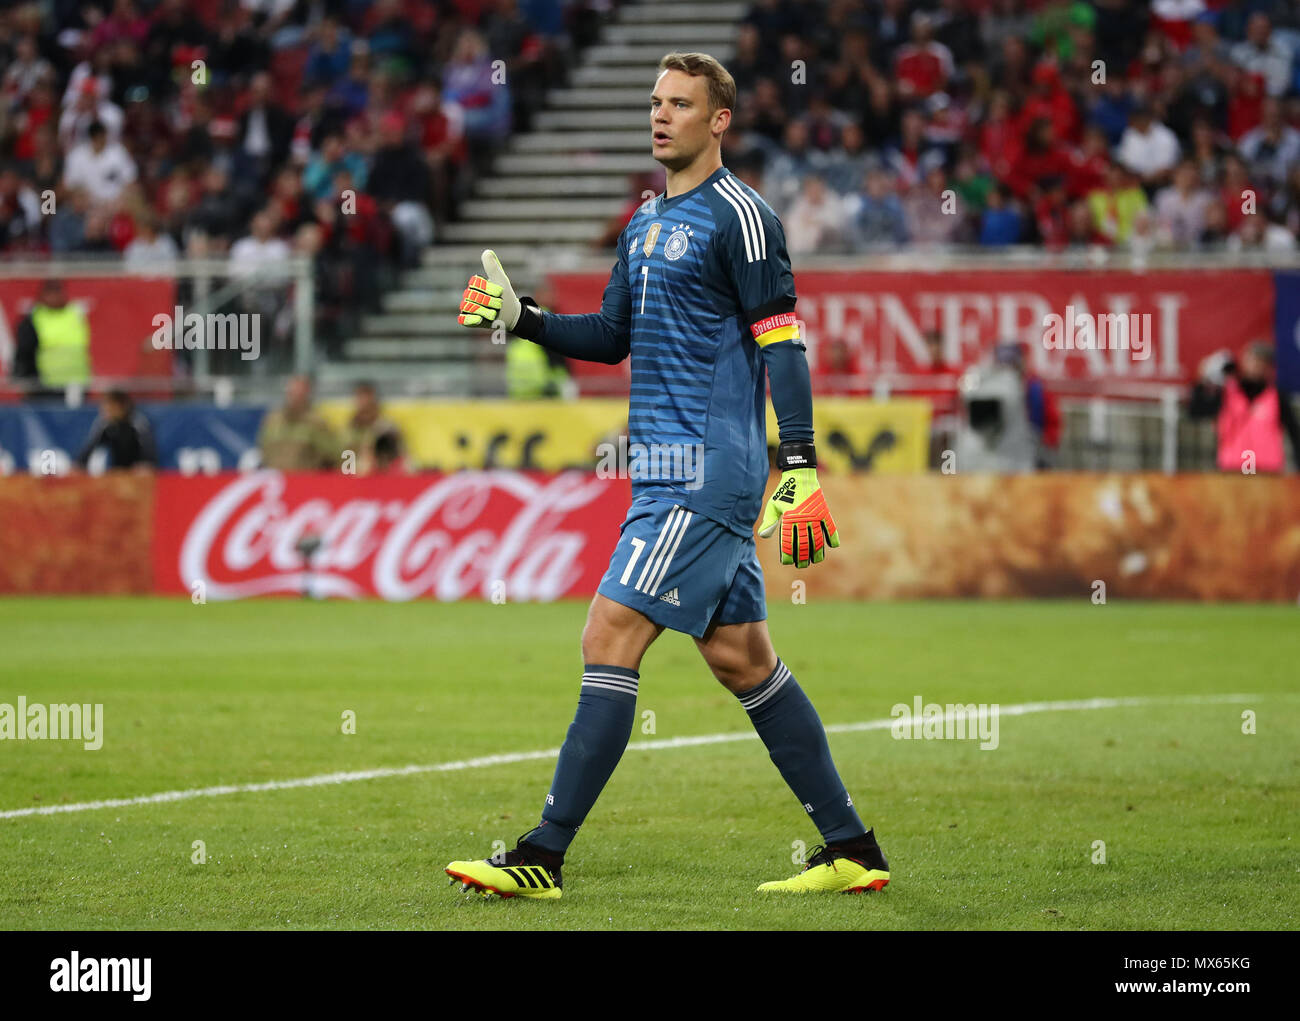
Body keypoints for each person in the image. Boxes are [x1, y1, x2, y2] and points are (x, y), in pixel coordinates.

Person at [449, 52, 889, 899]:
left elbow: (782, 342)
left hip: (703, 472)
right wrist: (522, 318)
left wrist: (797, 461)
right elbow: (615, 334)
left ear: (718, 119)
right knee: (741, 658)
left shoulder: (743, 216)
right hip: (659, 471)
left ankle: (543, 851)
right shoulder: (645, 224)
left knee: (608, 634)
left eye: (680, 104)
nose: (660, 116)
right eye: (655, 102)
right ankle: (853, 847)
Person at [1193, 342, 1299, 474]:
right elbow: (1197, 412)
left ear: (1269, 368)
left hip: (1267, 471)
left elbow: (1294, 432)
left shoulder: (1276, 396)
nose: (1256, 366)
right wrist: (1204, 383)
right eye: (1253, 360)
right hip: (1232, 468)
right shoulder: (1226, 391)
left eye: (1262, 362)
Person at [12, 279, 91, 394]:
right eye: (50, 292)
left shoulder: (75, 313)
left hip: (77, 381)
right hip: (46, 384)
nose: (55, 296)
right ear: (42, 295)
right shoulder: (34, 318)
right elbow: (24, 351)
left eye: (57, 291)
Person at [256, 375, 339, 470]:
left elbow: (333, 456)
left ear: (307, 395)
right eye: (292, 393)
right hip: (277, 481)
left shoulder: (317, 424)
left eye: (300, 394)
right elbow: (263, 451)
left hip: (304, 481)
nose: (295, 399)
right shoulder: (272, 421)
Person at [75, 389, 156, 471]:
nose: (104, 410)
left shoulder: (138, 423)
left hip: (138, 472)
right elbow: (90, 447)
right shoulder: (104, 423)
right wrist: (79, 463)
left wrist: (146, 464)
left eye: (108, 406)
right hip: (117, 471)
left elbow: (149, 452)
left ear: (119, 406)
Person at [340, 380, 405, 474]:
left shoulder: (387, 428)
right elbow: (344, 459)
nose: (363, 402)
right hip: (355, 476)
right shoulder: (350, 429)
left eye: (367, 397)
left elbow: (401, 458)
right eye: (360, 397)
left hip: (382, 475)